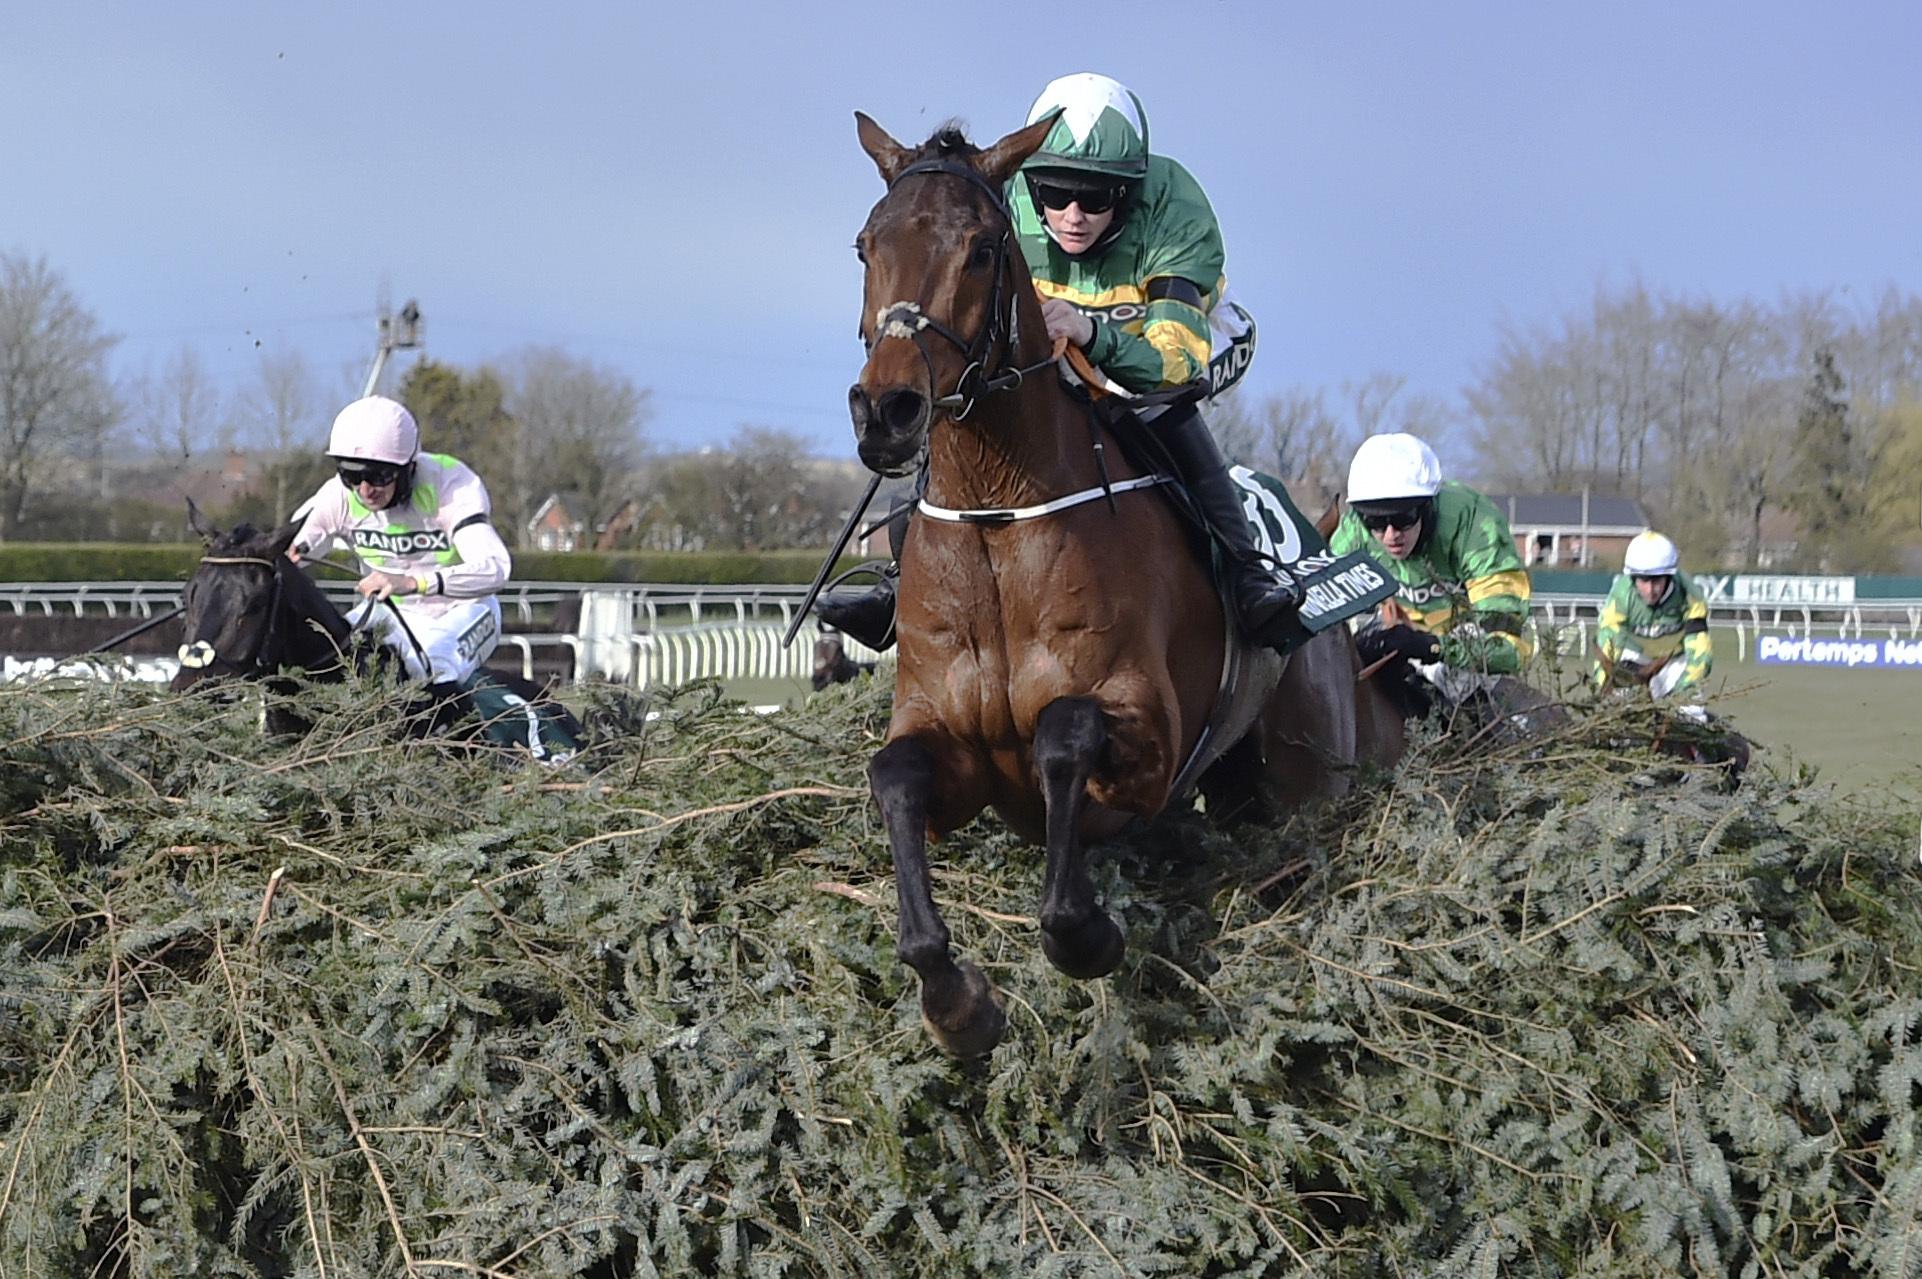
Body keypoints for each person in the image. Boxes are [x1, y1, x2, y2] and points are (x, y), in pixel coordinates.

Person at [817, 72, 1298, 652]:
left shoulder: (1174, 208)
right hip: (1055, 339)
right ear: (1030, 183)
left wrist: (1092, 332)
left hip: (1171, 338)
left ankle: (1248, 572)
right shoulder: (998, 200)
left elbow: (1174, 363)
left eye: (1096, 199)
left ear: (1129, 192)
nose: (1073, 215)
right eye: (1054, 194)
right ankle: (903, 581)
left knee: (1158, 409)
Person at [288, 395, 573, 758]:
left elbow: (496, 567)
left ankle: (448, 760)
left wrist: (415, 583)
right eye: (352, 475)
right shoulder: (337, 497)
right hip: (390, 611)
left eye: (378, 476)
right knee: (333, 655)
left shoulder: (450, 484)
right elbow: (291, 547)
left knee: (434, 666)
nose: (365, 490)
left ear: (407, 468)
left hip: (465, 610)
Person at [1329, 433, 1533, 716]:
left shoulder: (1475, 525)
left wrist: (1430, 646)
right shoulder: (1355, 531)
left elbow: (1508, 647)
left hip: (1465, 646)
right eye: (1375, 520)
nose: (1390, 535)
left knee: (1455, 680)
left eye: (1403, 518)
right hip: (1401, 632)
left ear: (1427, 507)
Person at [1593, 530, 1712, 700]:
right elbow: (1608, 646)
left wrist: (1684, 690)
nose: (1650, 590)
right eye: (1643, 580)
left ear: (1668, 577)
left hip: (1674, 662)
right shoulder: (1620, 596)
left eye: (1656, 580)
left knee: (1691, 711)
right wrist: (1604, 686)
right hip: (1635, 659)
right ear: (1633, 578)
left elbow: (1700, 653)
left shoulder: (1690, 595)